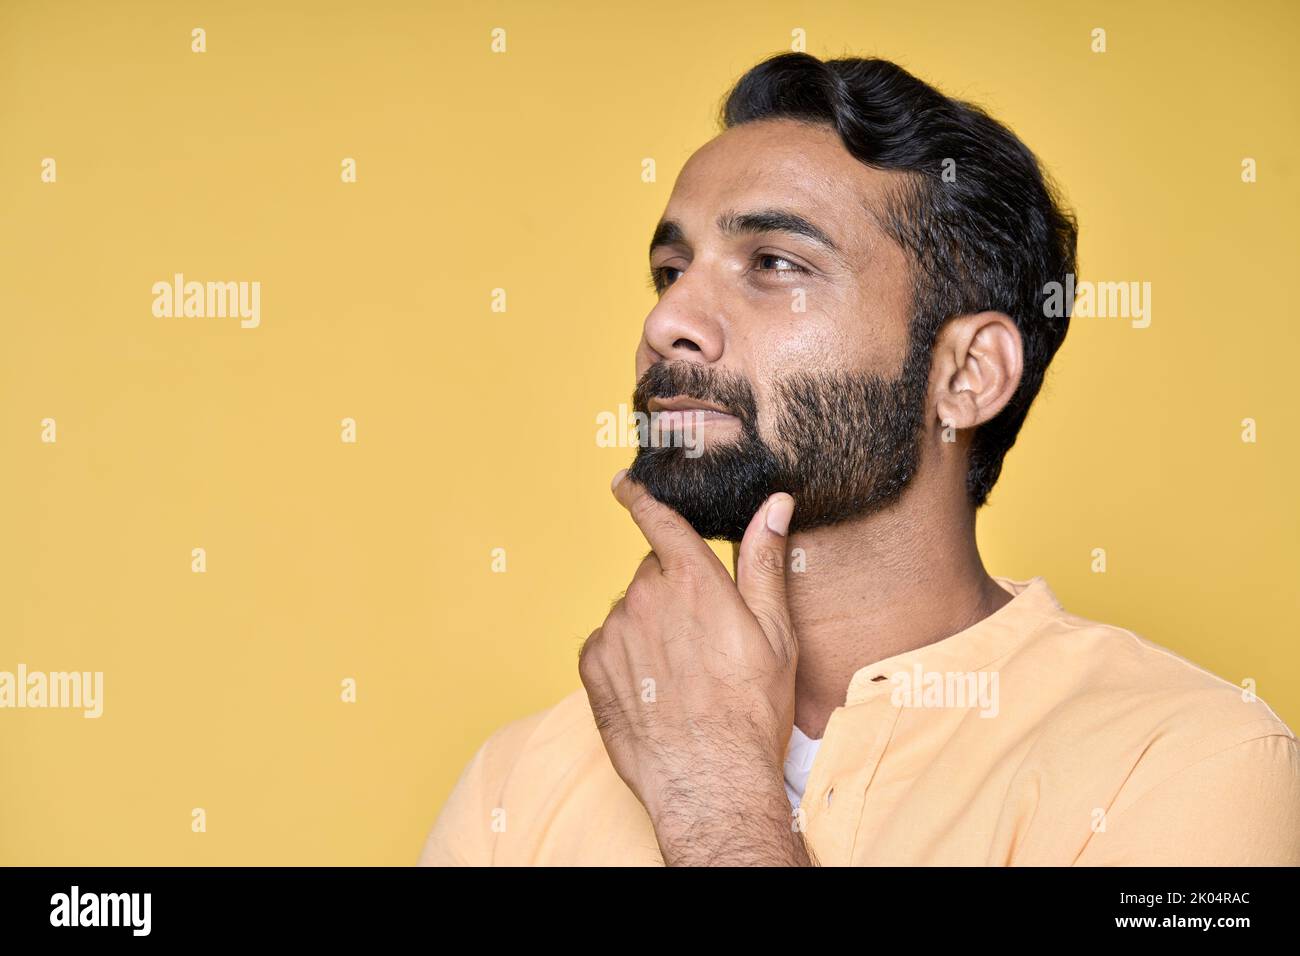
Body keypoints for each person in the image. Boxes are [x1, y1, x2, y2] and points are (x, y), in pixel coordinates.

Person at [419, 52, 1299, 866]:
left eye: (772, 262)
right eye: (670, 270)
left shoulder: (1188, 762)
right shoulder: (518, 782)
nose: (667, 322)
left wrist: (719, 800)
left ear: (966, 375)